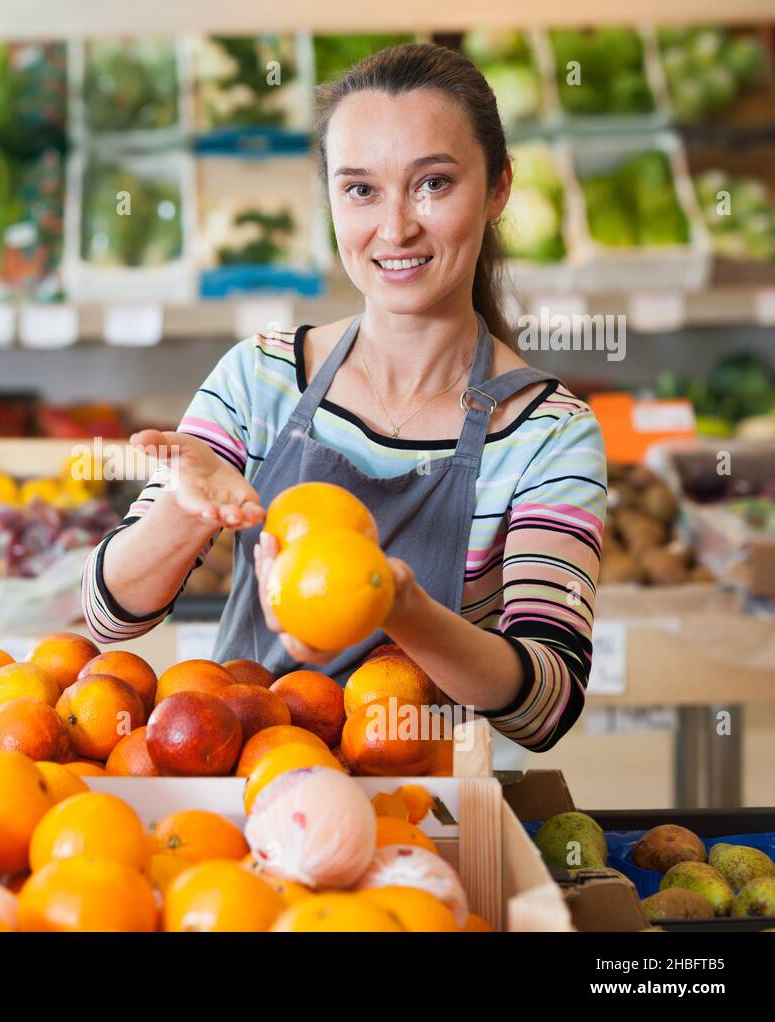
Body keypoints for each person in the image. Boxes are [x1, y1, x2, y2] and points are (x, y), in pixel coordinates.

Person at [81, 43, 607, 752]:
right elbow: (108, 619)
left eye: (433, 184)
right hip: (244, 791)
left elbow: (546, 706)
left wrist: (397, 604)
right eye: (360, 189)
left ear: (498, 189)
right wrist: (185, 509)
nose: (395, 229)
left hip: (427, 813)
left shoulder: (549, 433)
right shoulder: (259, 379)